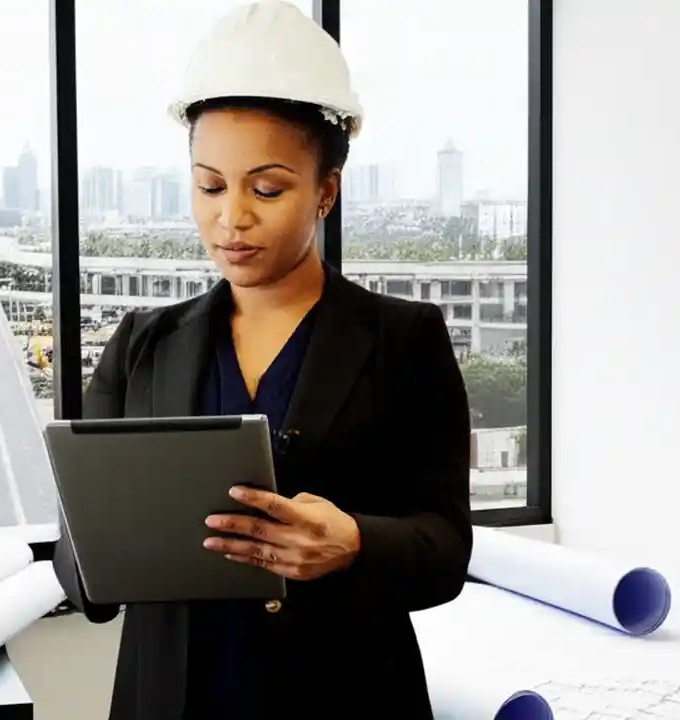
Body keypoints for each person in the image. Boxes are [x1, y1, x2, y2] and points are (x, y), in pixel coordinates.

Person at [52, 2, 473, 718]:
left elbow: (446, 549)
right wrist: (105, 550)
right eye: (210, 186)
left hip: (347, 698)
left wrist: (355, 543)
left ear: (326, 191)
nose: (232, 218)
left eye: (267, 189)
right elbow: (76, 560)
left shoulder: (404, 340)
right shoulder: (140, 347)